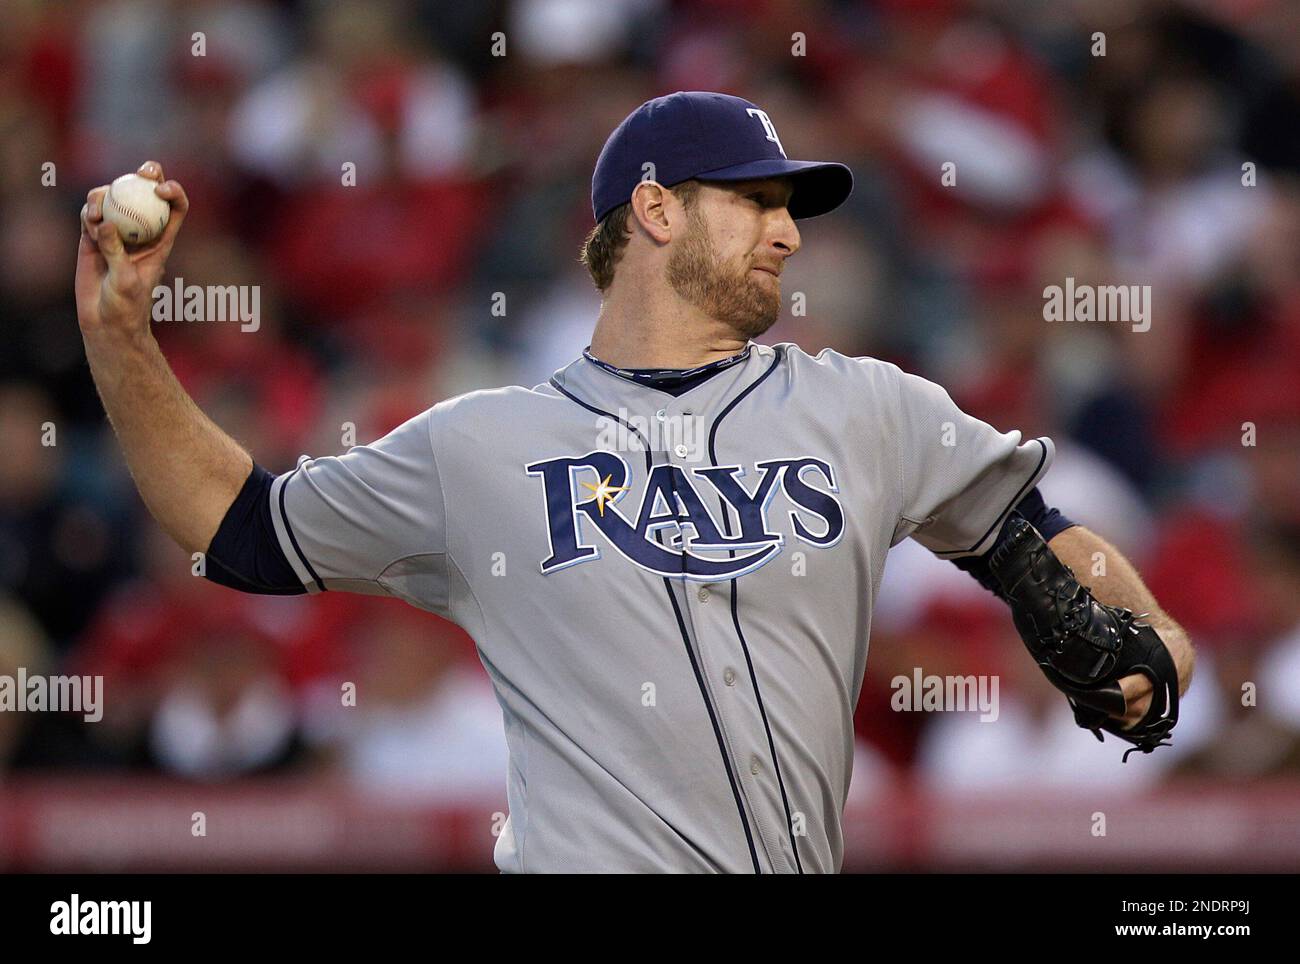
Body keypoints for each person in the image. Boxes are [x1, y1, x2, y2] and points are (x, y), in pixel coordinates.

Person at [75, 91, 1194, 873]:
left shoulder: (867, 407)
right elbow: (239, 528)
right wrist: (122, 338)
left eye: (789, 209)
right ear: (656, 209)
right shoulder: (479, 446)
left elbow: (1033, 529)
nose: (787, 234)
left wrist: (1153, 644)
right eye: (755, 201)